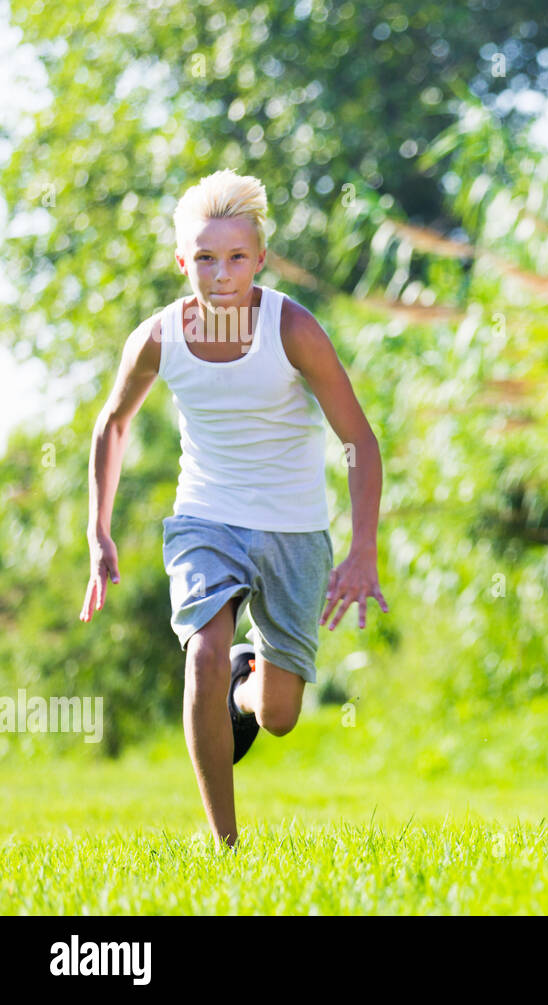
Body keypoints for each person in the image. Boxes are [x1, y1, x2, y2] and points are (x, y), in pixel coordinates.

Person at [79, 169, 386, 848]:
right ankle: (226, 842)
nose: (221, 274)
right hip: (205, 518)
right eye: (206, 258)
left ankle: (252, 680)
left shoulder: (293, 328)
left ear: (261, 259)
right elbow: (112, 423)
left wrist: (362, 548)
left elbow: (359, 440)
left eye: (237, 258)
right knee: (202, 655)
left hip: (294, 526)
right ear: (182, 261)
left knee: (278, 714)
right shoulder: (159, 336)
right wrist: (98, 528)